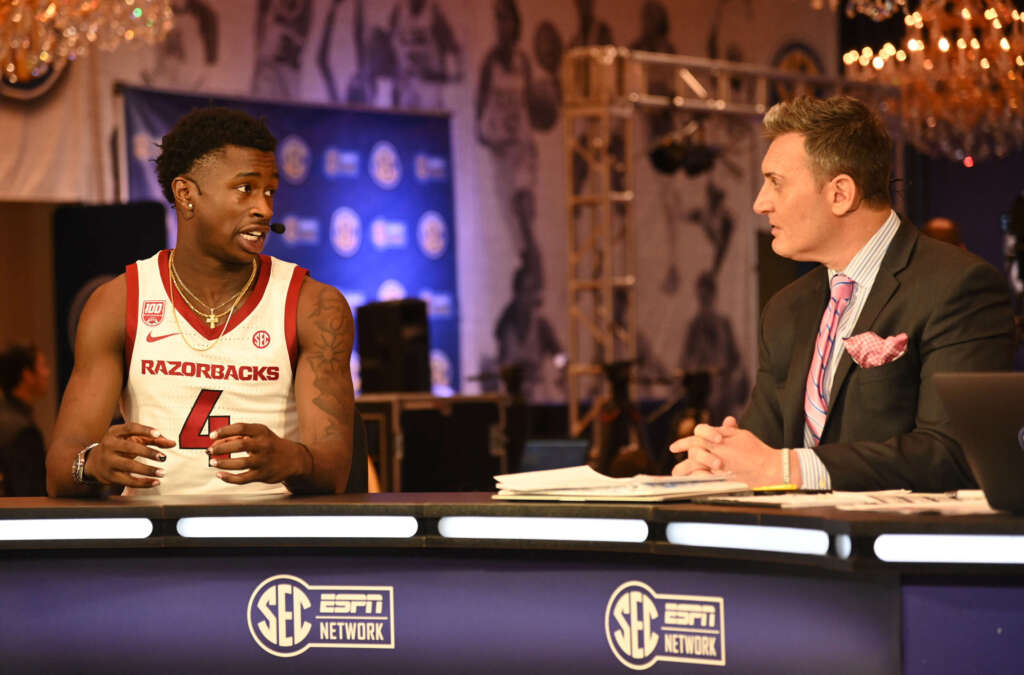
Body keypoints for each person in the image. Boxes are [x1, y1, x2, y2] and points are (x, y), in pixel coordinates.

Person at [671, 95, 1015, 492]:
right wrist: (720, 460)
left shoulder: (959, 286)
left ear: (840, 194)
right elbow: (766, 446)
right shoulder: (786, 308)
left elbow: (953, 452)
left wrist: (790, 469)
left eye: (775, 183)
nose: (759, 203)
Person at [47, 108, 355, 497]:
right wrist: (90, 463)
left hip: (272, 546)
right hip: (153, 545)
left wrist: (292, 458)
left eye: (270, 191)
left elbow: (335, 471)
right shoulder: (118, 301)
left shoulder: (313, 305)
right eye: (246, 188)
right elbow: (60, 468)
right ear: (186, 194)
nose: (265, 208)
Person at [0, 345, 50, 496]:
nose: (48, 373)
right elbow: (30, 494)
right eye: (43, 366)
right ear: (27, 375)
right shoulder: (23, 432)